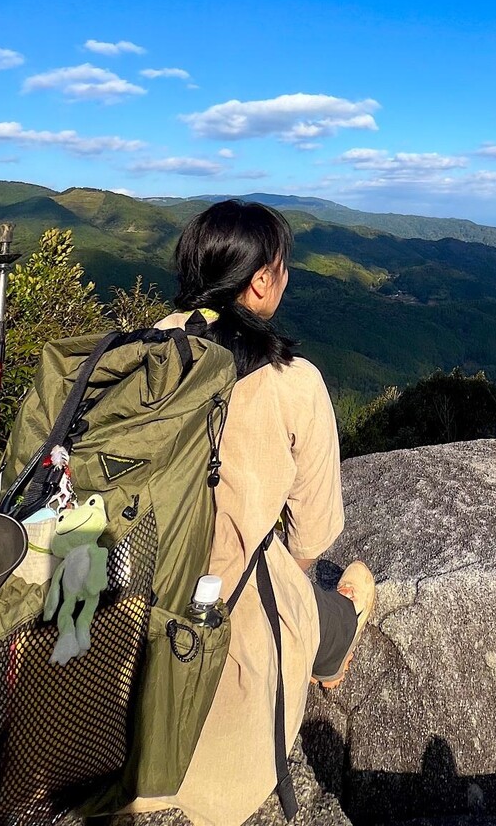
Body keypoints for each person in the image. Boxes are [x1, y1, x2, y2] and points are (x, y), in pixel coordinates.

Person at [127, 200, 374, 826]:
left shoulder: (130, 360)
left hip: (114, 627)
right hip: (220, 664)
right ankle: (334, 644)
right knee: (344, 586)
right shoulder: (293, 382)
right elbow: (309, 542)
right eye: (282, 267)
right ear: (262, 280)